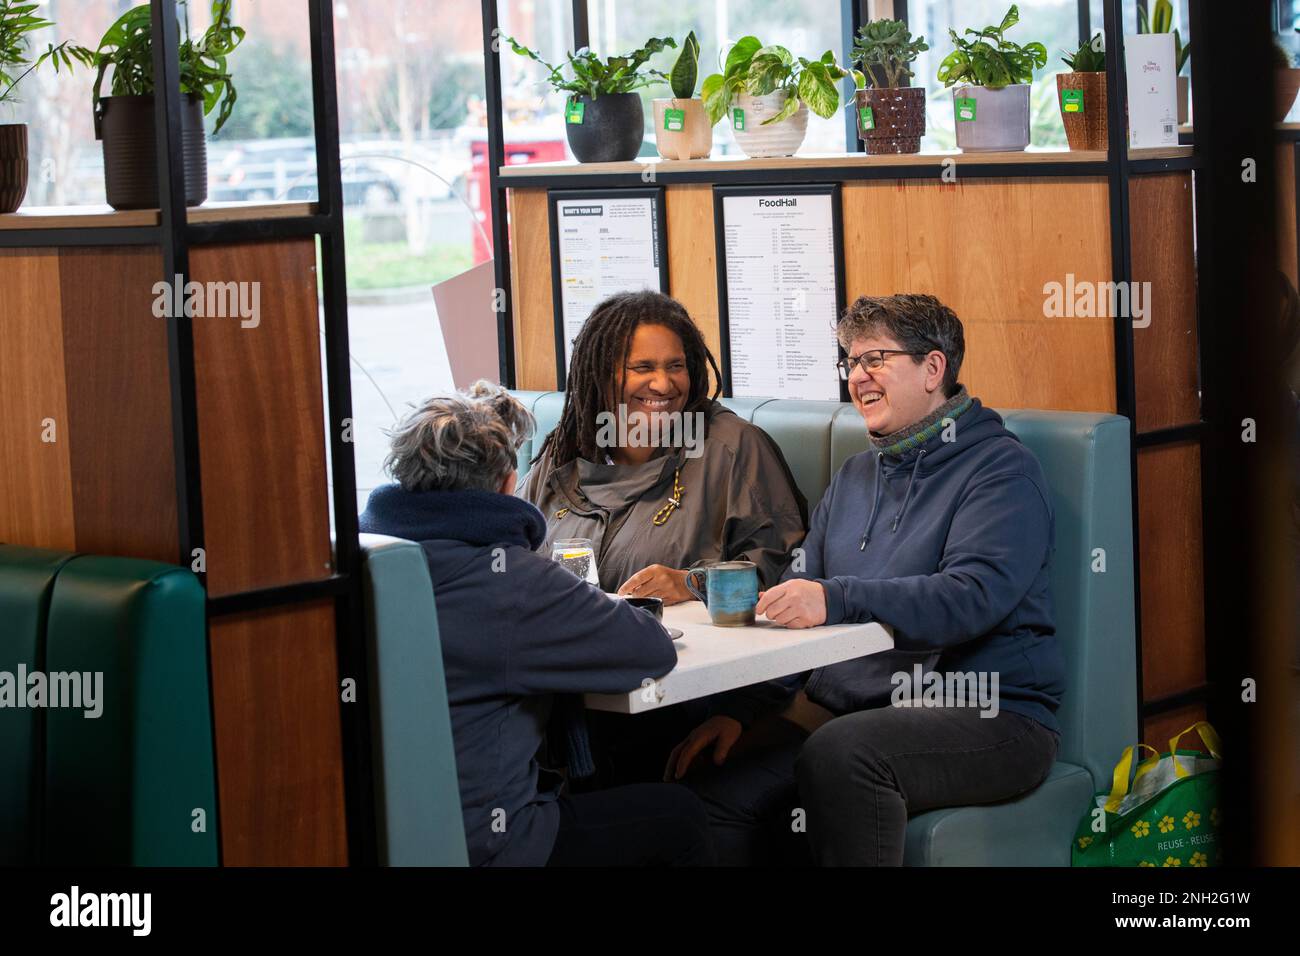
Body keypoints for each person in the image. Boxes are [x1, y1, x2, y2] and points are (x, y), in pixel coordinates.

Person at [669, 294, 1066, 866]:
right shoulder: (856, 474)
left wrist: (837, 597)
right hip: (851, 710)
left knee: (843, 754)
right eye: (850, 362)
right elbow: (795, 602)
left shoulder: (1001, 469)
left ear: (934, 369)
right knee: (708, 792)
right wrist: (745, 711)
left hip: (994, 714)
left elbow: (971, 598)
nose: (858, 377)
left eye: (875, 358)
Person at [359, 381, 714, 866]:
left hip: (370, 836)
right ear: (509, 482)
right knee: (680, 816)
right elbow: (649, 651)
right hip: (486, 845)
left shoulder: (357, 562)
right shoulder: (510, 580)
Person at [519, 290, 806, 601]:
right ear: (599, 374)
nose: (663, 384)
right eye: (642, 368)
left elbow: (785, 570)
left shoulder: (733, 448)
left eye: (675, 366)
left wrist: (693, 583)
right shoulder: (566, 449)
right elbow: (509, 552)